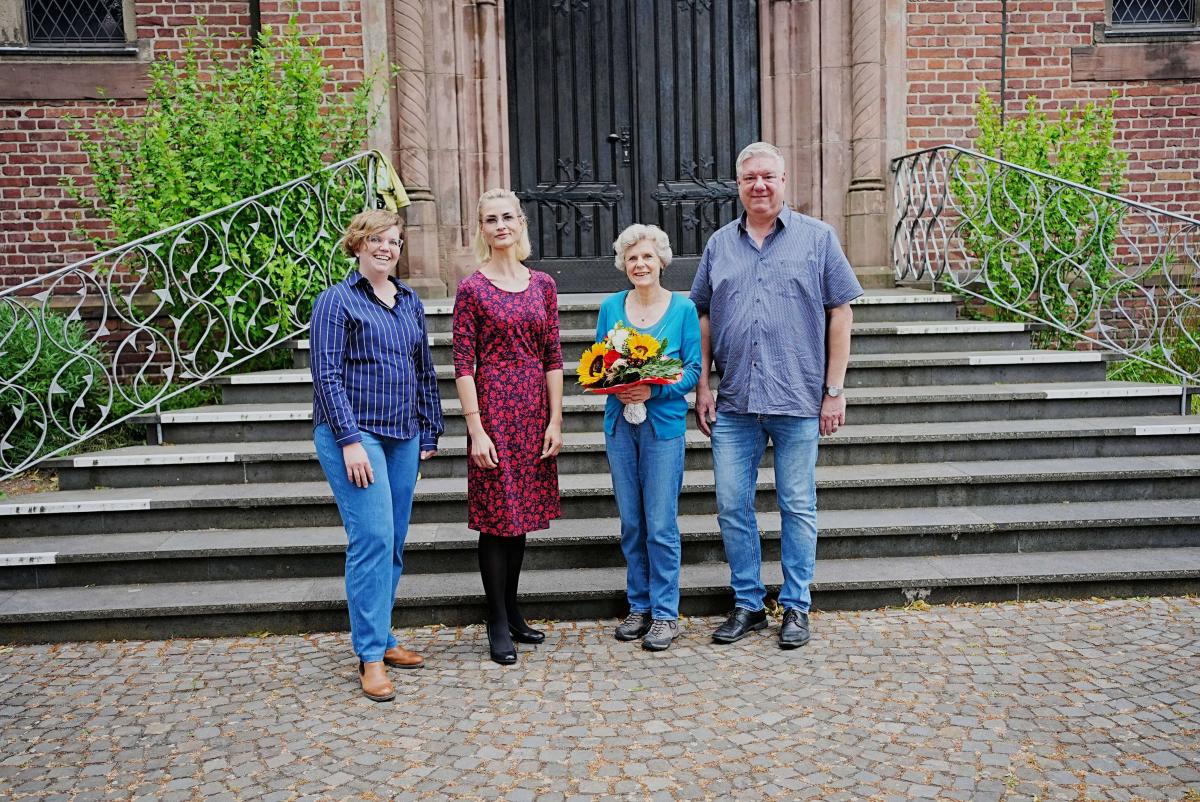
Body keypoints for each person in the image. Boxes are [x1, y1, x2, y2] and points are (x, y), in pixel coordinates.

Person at [689, 141, 863, 650]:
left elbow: (842, 313)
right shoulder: (720, 244)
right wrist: (703, 385)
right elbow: (701, 314)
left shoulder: (818, 238)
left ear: (784, 181)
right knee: (731, 505)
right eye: (749, 179)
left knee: (796, 504)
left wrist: (834, 391)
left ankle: (795, 607)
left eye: (768, 177)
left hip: (799, 397)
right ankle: (748, 603)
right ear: (738, 186)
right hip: (736, 400)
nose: (759, 186)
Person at [310, 209, 444, 701]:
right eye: (377, 240)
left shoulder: (408, 300)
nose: (387, 248)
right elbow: (326, 377)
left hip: (403, 434)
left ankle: (384, 637)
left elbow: (423, 370)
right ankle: (369, 657)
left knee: (394, 540)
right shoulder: (336, 302)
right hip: (355, 433)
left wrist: (430, 428)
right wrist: (348, 440)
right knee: (370, 538)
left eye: (394, 241)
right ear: (358, 244)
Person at [452, 188, 564, 665]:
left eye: (508, 217)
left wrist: (556, 418)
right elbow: (462, 362)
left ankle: (514, 612)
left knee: (518, 519)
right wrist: (476, 429)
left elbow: (553, 355)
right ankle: (496, 619)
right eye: (491, 219)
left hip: (533, 410)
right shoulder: (472, 288)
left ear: (521, 223)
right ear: (482, 229)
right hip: (494, 409)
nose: (501, 226)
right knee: (496, 520)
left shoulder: (543, 285)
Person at [597, 224, 701, 651]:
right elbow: (599, 362)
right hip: (620, 425)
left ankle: (664, 614)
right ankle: (638, 606)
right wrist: (613, 381)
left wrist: (654, 387)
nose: (640, 264)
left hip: (663, 428)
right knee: (632, 523)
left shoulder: (683, 310)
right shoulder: (610, 307)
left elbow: (693, 369)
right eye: (632, 258)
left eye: (647, 257)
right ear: (624, 265)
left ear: (661, 261)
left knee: (660, 524)